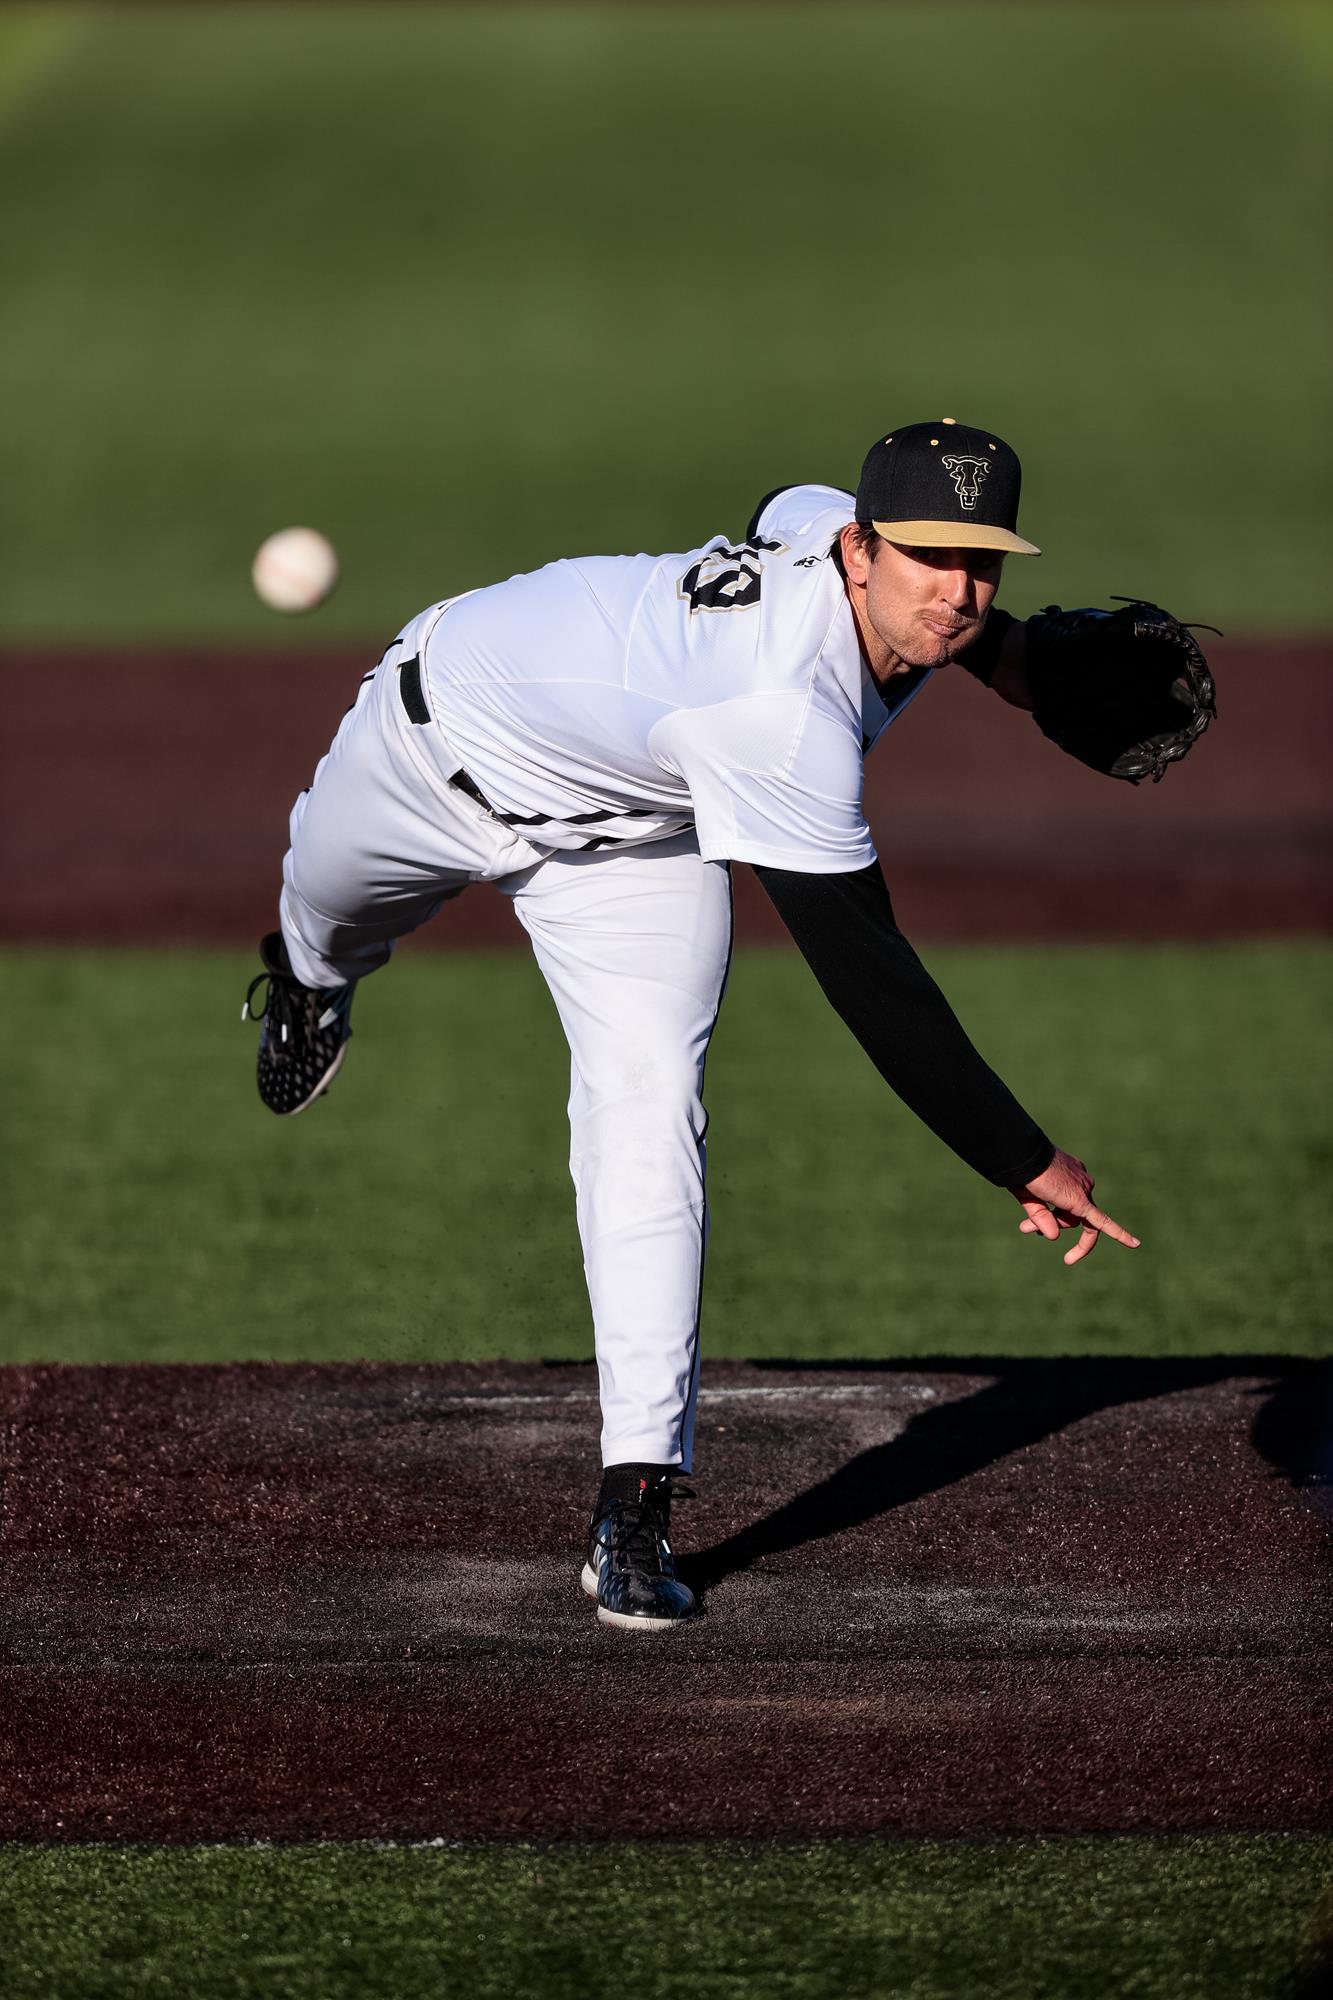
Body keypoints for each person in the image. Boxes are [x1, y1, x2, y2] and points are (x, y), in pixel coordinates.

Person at [243, 418, 1139, 1630]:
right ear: (861, 549)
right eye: (929, 557)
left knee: (648, 1112)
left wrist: (1007, 659)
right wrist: (1024, 1157)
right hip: (434, 740)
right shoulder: (783, 716)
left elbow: (785, 493)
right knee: (323, 911)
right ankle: (305, 974)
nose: (958, 590)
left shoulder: (863, 564)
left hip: (640, 841)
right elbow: (876, 984)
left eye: (983, 564)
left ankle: (635, 1500)